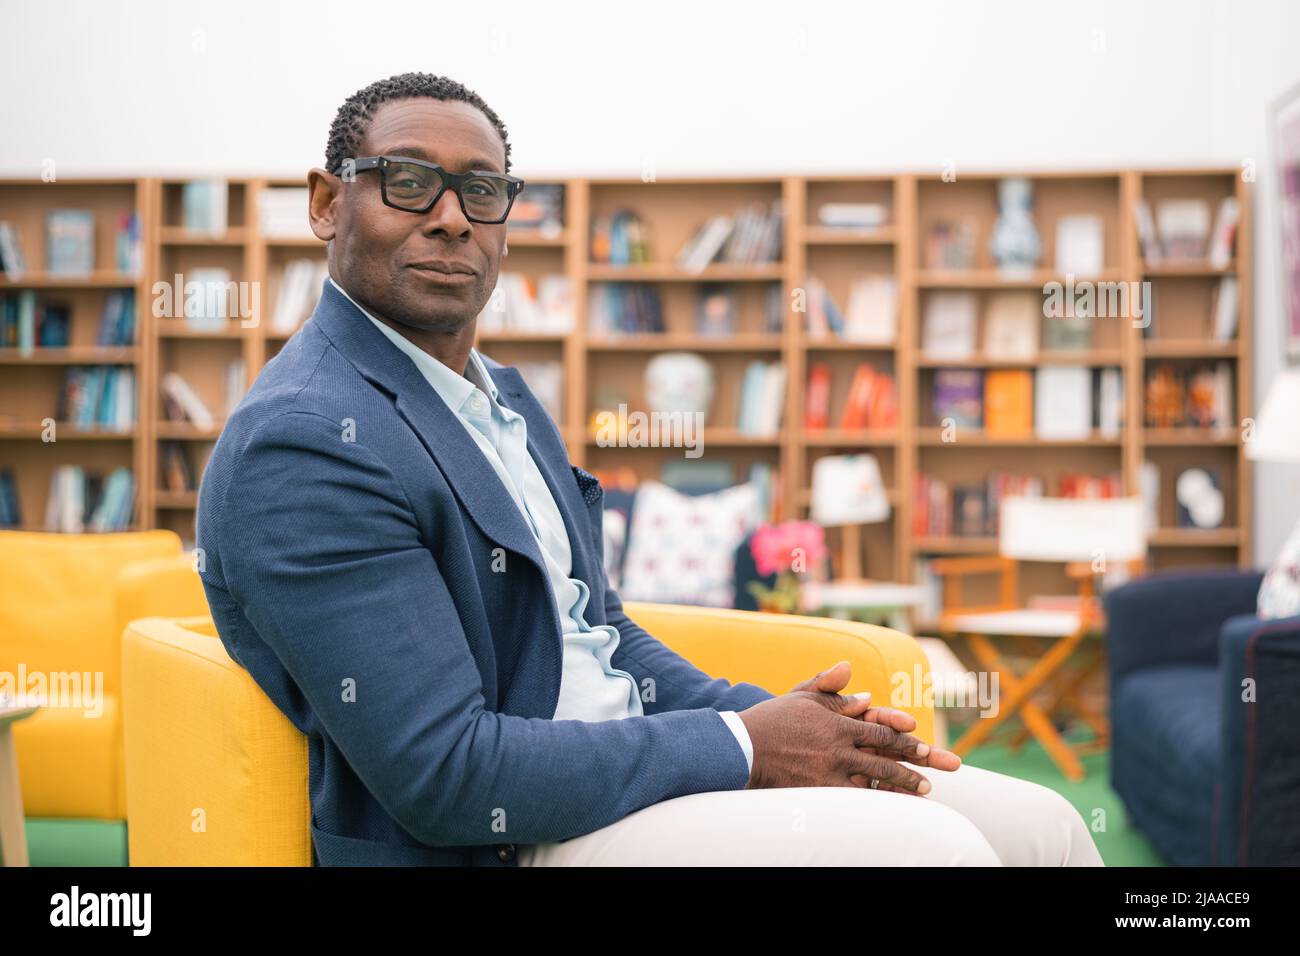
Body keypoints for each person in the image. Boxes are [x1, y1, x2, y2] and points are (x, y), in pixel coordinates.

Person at [196, 72, 1103, 867]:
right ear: (326, 202)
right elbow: (445, 775)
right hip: (510, 838)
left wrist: (808, 729)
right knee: (937, 852)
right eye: (408, 181)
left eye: (481, 191)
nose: (449, 217)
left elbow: (601, 636)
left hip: (630, 773)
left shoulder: (501, 395)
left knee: (1042, 825)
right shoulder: (306, 440)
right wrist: (745, 745)